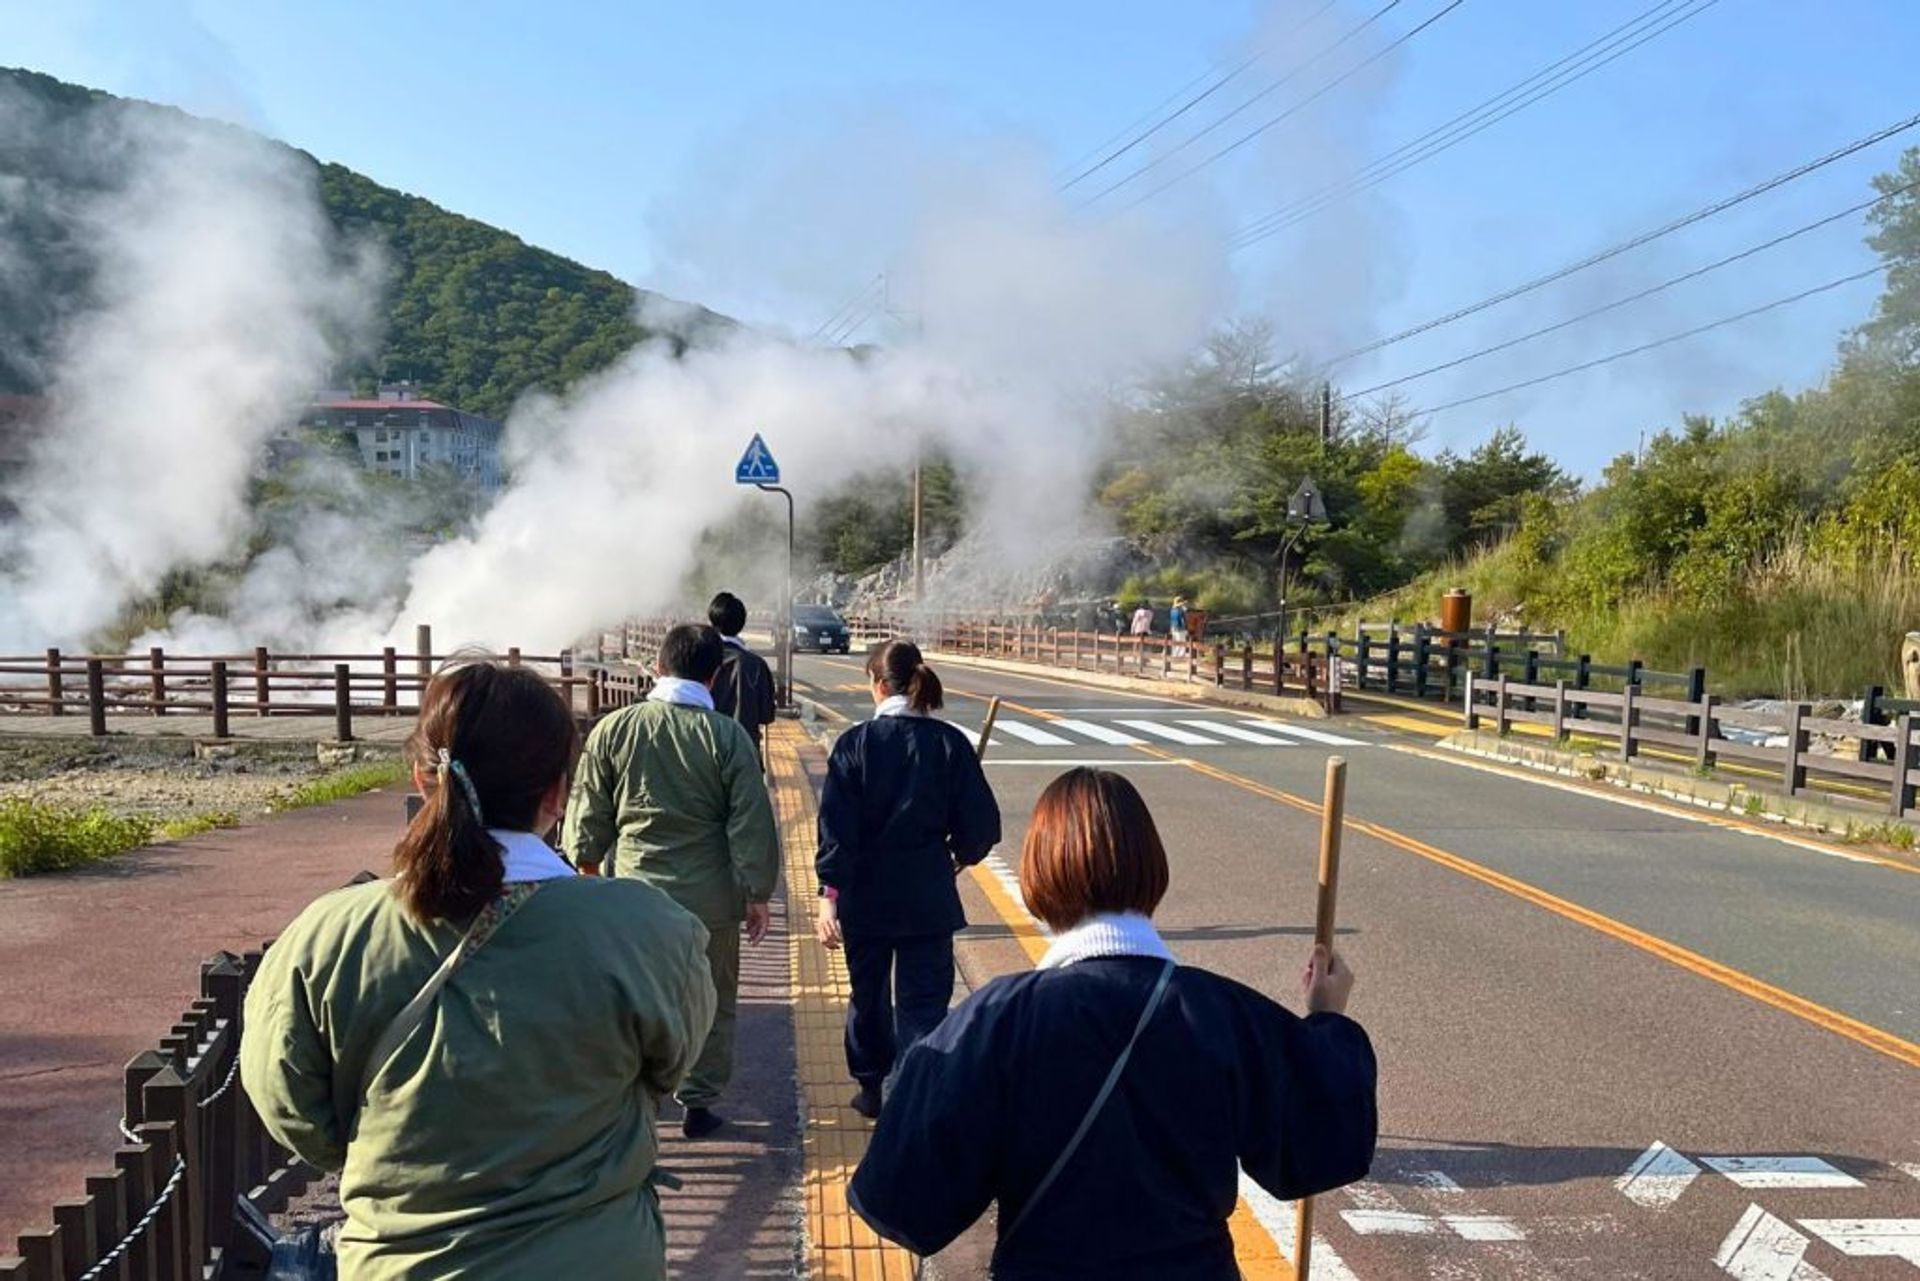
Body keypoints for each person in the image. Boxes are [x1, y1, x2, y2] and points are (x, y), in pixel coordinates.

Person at [242, 657, 716, 1280]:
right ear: (557, 792)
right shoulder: (649, 929)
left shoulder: (326, 935)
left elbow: (291, 1109)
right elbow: (672, 1067)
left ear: (421, 776)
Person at [850, 768, 1376, 1279]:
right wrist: (1325, 1021)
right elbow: (1320, 1145)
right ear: (1151, 867)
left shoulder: (995, 1020)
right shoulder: (1221, 1012)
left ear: (1039, 875)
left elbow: (901, 1198)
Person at [564, 623, 781, 1139]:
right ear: (713, 674)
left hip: (633, 894)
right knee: (712, 998)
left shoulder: (614, 729)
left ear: (658, 667)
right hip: (711, 899)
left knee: (633, 995)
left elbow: (587, 812)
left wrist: (587, 866)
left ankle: (637, 1094)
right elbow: (750, 822)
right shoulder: (728, 737)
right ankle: (698, 1104)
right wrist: (757, 893)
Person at [815, 640, 1001, 1119]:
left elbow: (836, 831)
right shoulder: (949, 743)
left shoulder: (855, 744)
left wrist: (828, 897)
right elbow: (981, 826)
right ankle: (911, 1093)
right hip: (927, 895)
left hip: (865, 896)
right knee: (922, 1003)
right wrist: (960, 856)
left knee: (868, 996)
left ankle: (873, 1085)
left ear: (878, 685)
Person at [707, 590, 777, 753]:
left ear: (712, 620)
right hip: (745, 753)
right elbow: (767, 715)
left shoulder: (700, 658)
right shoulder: (756, 665)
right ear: (742, 623)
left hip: (705, 753)